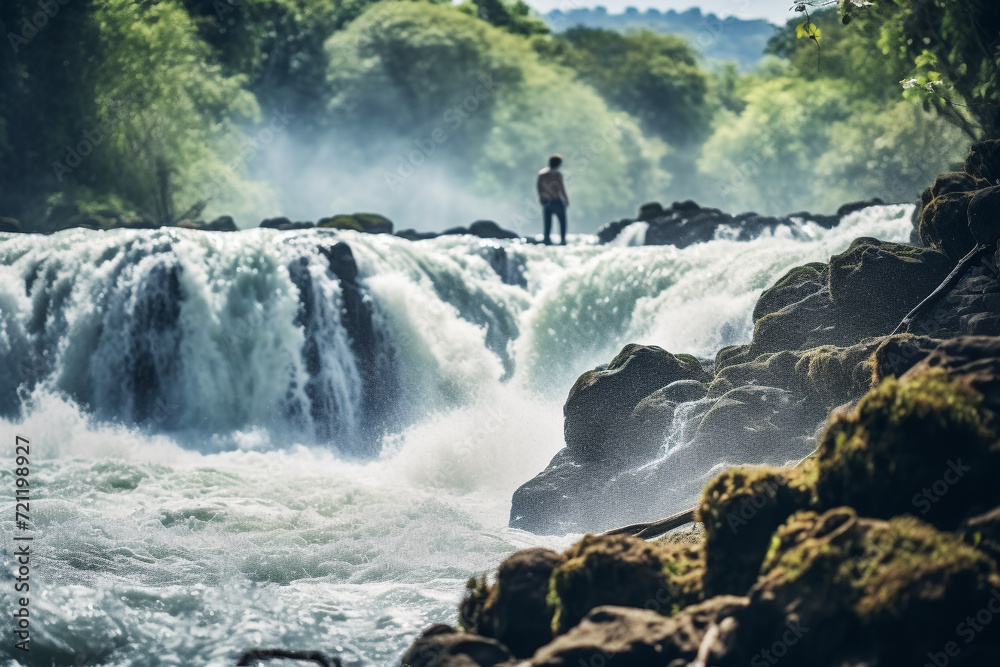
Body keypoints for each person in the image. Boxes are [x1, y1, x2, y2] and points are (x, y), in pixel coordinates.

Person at [537, 154, 569, 245]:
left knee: (547, 223)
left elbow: (539, 187)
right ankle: (562, 240)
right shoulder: (557, 174)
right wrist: (566, 200)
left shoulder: (542, 174)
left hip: (546, 201)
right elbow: (561, 188)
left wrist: (541, 198)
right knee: (562, 223)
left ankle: (546, 240)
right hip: (557, 201)